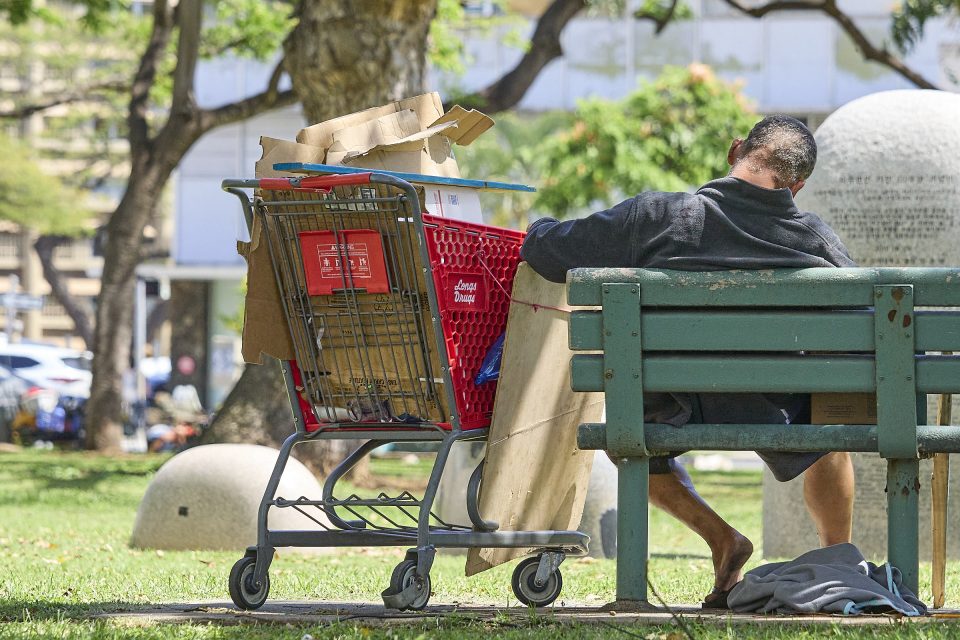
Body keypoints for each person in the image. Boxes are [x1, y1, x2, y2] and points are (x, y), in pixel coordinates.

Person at [520, 115, 856, 608]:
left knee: (630, 438)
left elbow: (545, 251)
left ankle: (722, 537)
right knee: (830, 438)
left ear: (735, 150)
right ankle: (838, 562)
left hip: (671, 403)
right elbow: (862, 324)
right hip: (772, 406)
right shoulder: (815, 240)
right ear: (797, 185)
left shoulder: (657, 216)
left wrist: (540, 228)